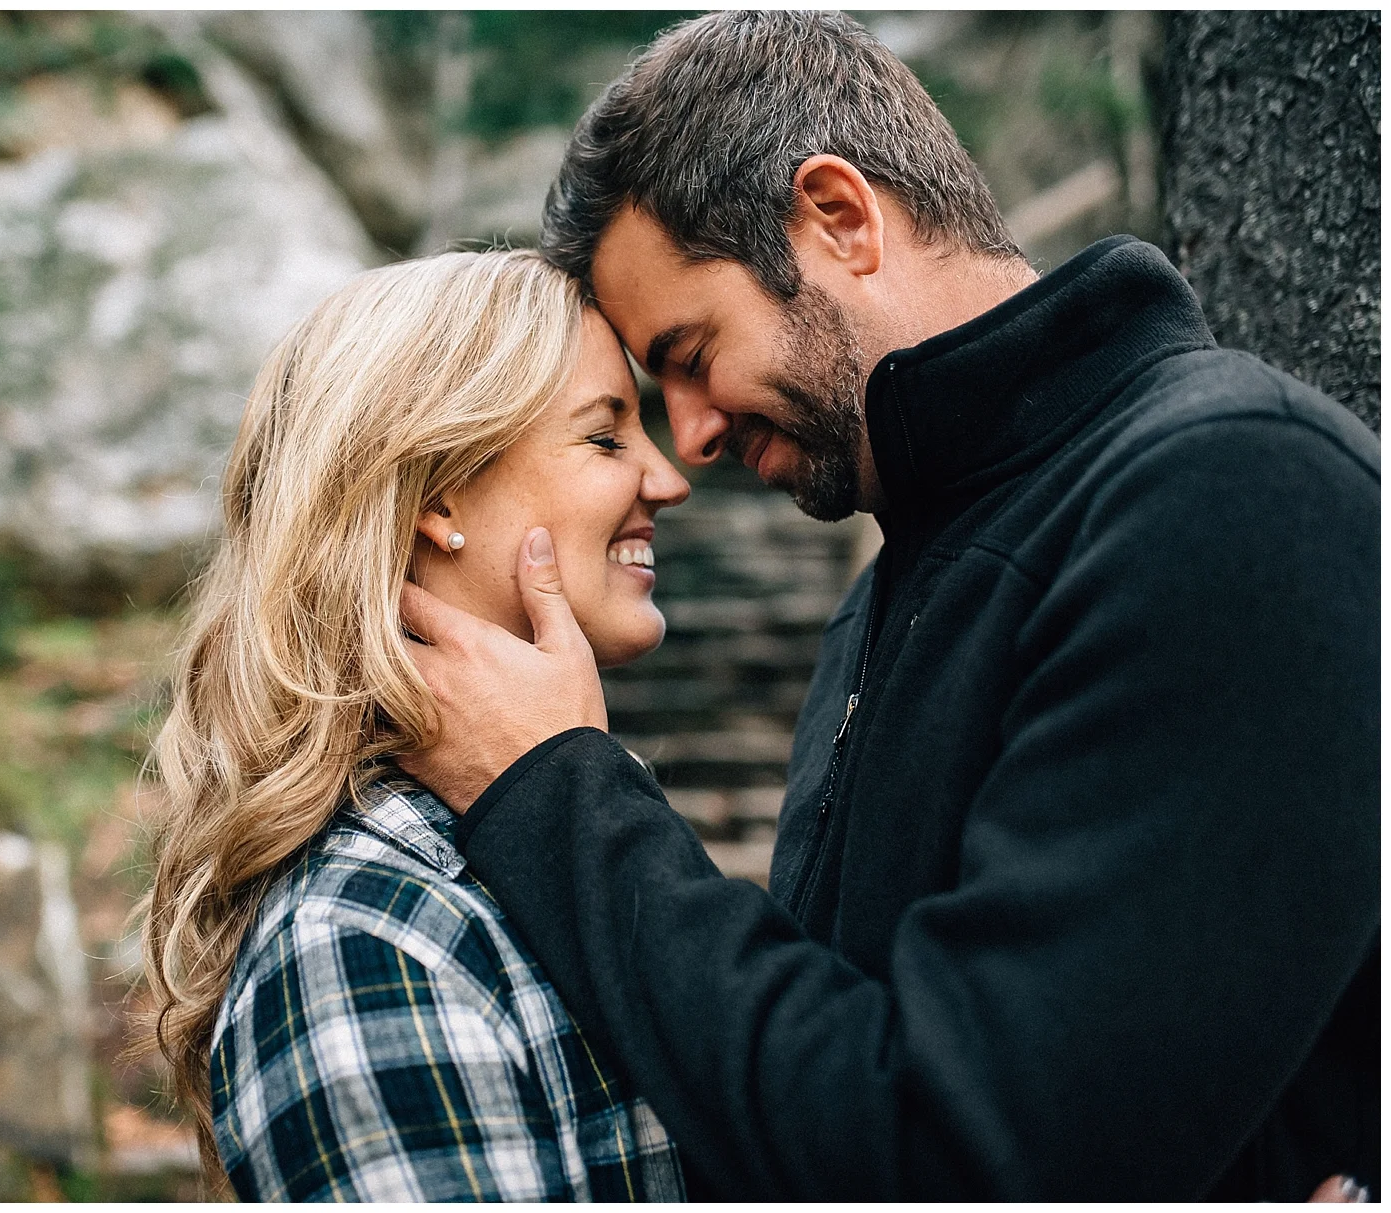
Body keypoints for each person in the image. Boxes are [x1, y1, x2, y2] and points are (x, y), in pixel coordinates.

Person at [398, 12, 1378, 1202]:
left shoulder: (1228, 495)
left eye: (692, 351)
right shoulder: (883, 602)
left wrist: (555, 786)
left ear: (840, 217)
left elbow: (962, 1153)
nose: (690, 439)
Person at [138, 249, 690, 1200]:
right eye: (606, 437)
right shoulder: (362, 938)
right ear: (437, 496)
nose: (668, 478)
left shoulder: (555, 848)